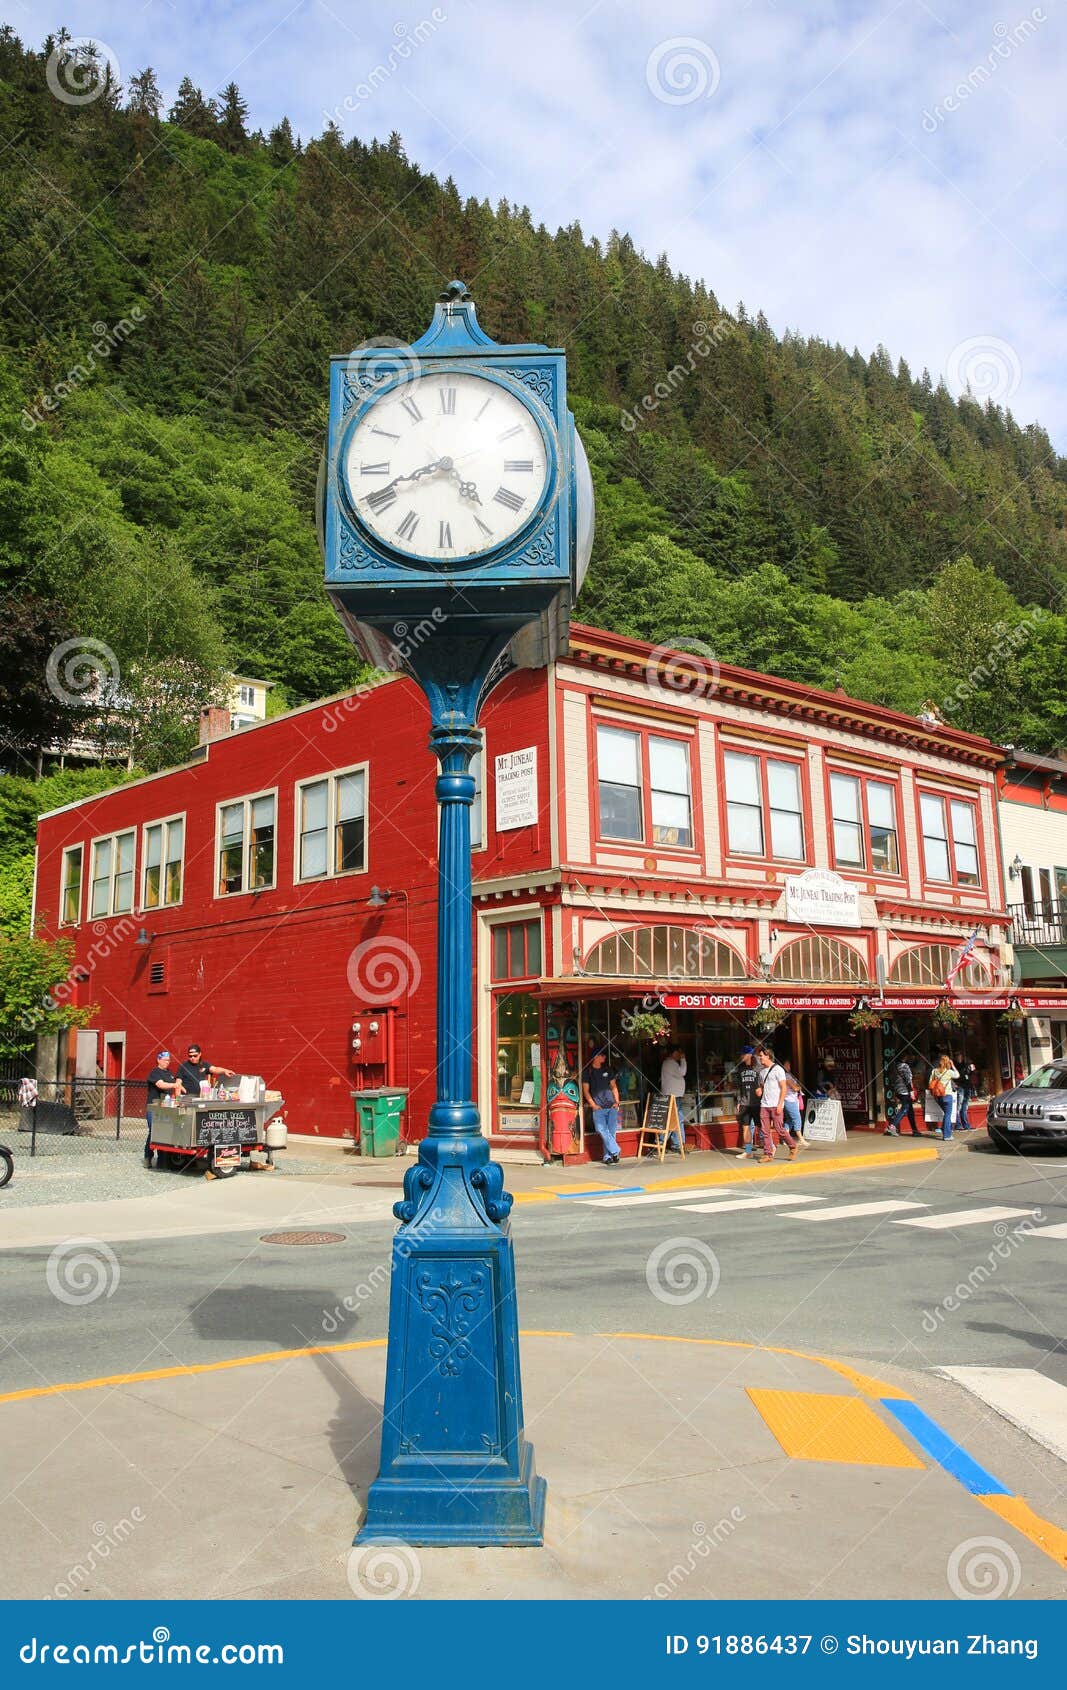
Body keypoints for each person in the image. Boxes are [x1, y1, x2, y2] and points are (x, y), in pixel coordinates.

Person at [756, 1046, 802, 1162]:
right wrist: (759, 1091)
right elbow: (762, 1087)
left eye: (761, 1056)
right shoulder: (761, 1072)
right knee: (765, 1130)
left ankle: (793, 1146)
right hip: (764, 1105)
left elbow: (783, 1088)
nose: (759, 1058)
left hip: (776, 1104)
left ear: (768, 1056)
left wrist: (780, 1104)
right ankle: (768, 1154)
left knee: (779, 1129)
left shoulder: (778, 1070)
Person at [581, 1048, 622, 1165]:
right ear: (595, 1057)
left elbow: (614, 1086)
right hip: (598, 1107)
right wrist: (593, 1105)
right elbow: (586, 1091)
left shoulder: (607, 1069)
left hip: (611, 1105)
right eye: (602, 1055)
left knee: (611, 1132)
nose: (604, 1057)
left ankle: (608, 1156)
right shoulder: (587, 1072)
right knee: (601, 1130)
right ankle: (615, 1150)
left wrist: (617, 1102)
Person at [144, 1049, 182, 1165]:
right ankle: (148, 1157)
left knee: (165, 1132)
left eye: (168, 1060)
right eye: (165, 1060)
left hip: (166, 1108)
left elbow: (177, 1086)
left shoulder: (169, 1073)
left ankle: (162, 1159)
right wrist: (175, 1085)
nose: (167, 1062)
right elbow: (161, 1085)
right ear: (158, 1060)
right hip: (154, 1108)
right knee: (154, 1132)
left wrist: (181, 1090)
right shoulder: (155, 1072)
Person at [733, 1045, 762, 1157]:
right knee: (745, 1127)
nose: (741, 1056)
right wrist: (739, 1101)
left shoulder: (758, 1067)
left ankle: (770, 1148)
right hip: (745, 1103)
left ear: (749, 1055)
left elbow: (764, 1082)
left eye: (743, 1054)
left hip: (756, 1103)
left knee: (761, 1127)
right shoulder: (741, 1069)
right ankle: (748, 1151)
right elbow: (739, 1087)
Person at [884, 1054, 923, 1136]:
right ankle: (892, 1126)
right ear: (904, 1057)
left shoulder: (894, 1066)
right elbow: (907, 1079)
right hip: (905, 1091)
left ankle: (915, 1130)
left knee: (910, 1112)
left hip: (898, 1090)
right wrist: (911, 1091)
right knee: (904, 1109)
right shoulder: (905, 1066)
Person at [659, 1045, 687, 1153]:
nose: (679, 1055)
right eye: (678, 1053)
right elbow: (682, 1072)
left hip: (675, 1095)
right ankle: (663, 1142)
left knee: (677, 1120)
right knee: (673, 1120)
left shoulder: (670, 1063)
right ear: (673, 1053)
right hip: (672, 1096)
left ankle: (677, 1144)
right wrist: (684, 1060)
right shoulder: (670, 1063)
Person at [929, 1053, 959, 1140]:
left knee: (946, 1114)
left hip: (938, 1096)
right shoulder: (949, 1072)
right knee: (947, 1115)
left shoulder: (934, 1071)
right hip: (947, 1095)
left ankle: (945, 1130)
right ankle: (946, 1135)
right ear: (947, 1062)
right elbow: (957, 1075)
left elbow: (930, 1083)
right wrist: (953, 1065)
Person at [782, 1058, 804, 1142]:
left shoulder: (788, 1075)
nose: (789, 1066)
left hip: (790, 1100)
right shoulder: (786, 1076)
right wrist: (799, 1087)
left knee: (789, 1120)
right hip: (789, 1100)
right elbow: (794, 1088)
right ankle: (800, 1138)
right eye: (787, 1065)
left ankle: (784, 1138)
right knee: (797, 1118)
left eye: (789, 1065)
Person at [954, 1051, 976, 1131]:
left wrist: (972, 1070)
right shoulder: (954, 1066)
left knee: (965, 1106)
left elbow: (970, 1074)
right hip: (960, 1086)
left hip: (967, 1086)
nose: (959, 1057)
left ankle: (966, 1125)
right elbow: (955, 1077)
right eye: (957, 1056)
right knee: (958, 1106)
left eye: (960, 1056)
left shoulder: (966, 1065)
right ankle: (958, 1125)